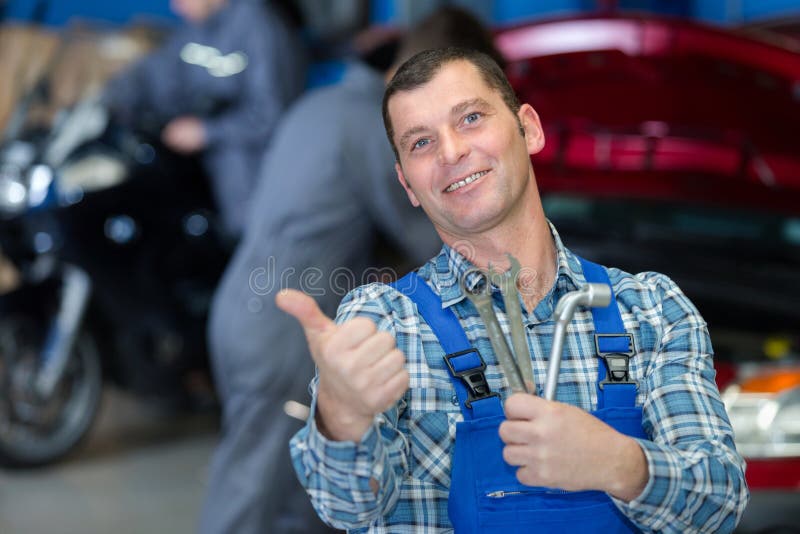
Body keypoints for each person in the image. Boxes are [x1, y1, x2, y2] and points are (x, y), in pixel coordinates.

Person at [278, 47, 750, 532]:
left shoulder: (651, 310)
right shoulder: (385, 323)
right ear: (408, 186)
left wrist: (621, 464)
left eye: (471, 118)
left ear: (529, 129)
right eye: (420, 143)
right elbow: (346, 506)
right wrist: (340, 417)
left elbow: (720, 503)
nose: (451, 151)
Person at [200, 8, 504, 534]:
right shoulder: (369, 124)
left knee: (302, 499)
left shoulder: (321, 103)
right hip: (284, 334)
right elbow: (430, 239)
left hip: (240, 311)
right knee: (249, 499)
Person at [103, 0, 306, 238]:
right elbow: (155, 74)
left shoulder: (260, 27)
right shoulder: (195, 28)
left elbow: (273, 115)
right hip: (205, 178)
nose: (176, 7)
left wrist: (207, 132)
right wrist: (111, 98)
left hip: (254, 182)